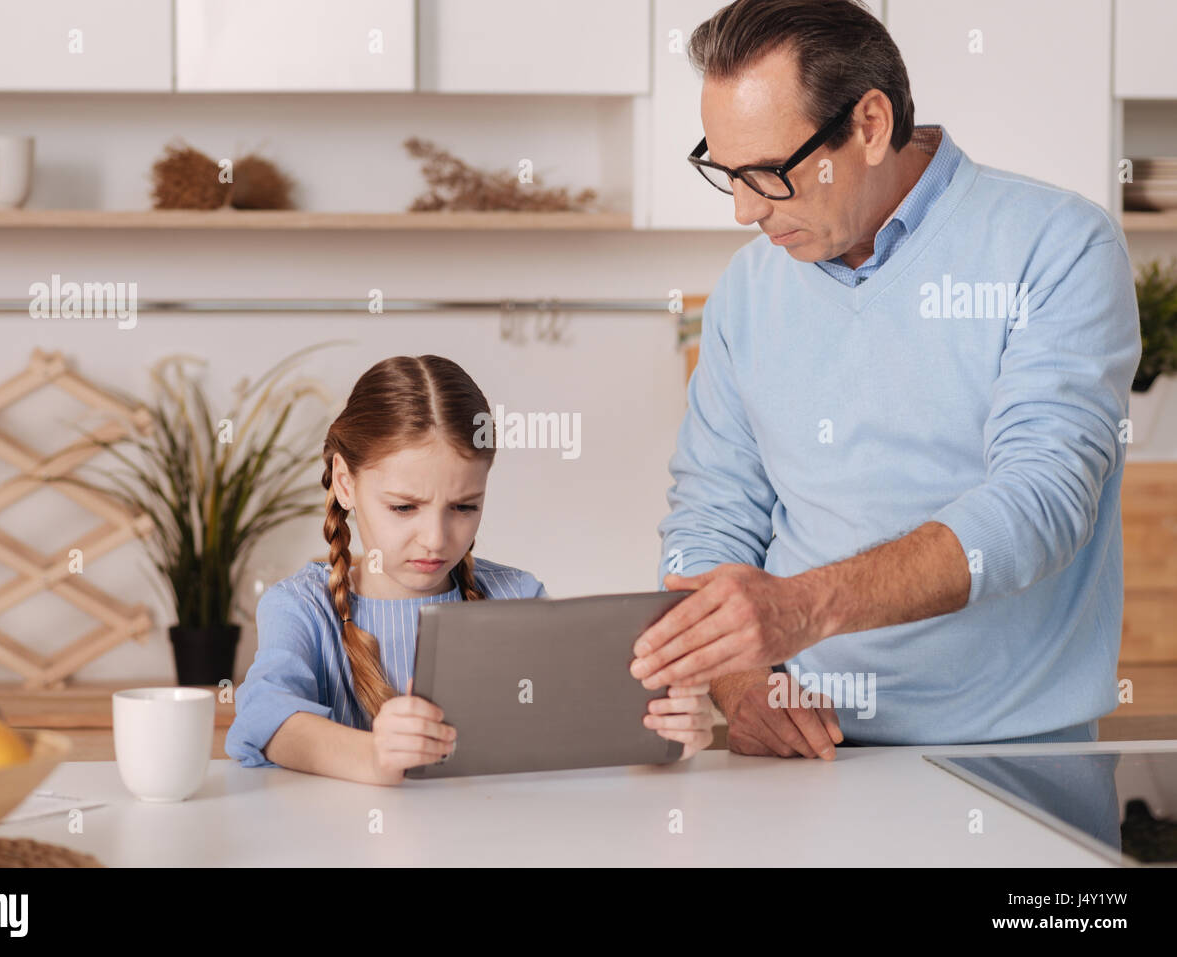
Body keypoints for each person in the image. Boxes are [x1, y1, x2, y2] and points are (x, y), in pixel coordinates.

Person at [632, 0, 1141, 758]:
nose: (743, 210)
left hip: (1016, 756)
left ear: (869, 125)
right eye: (725, 171)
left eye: (768, 172)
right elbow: (712, 514)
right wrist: (743, 684)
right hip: (806, 760)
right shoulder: (748, 288)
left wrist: (804, 608)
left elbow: (1042, 500)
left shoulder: (1057, 245)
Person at [226, 355, 714, 783]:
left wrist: (663, 741)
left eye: (463, 507)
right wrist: (375, 756)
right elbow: (265, 717)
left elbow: (576, 734)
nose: (437, 540)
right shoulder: (302, 609)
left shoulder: (517, 596)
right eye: (403, 507)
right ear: (345, 484)